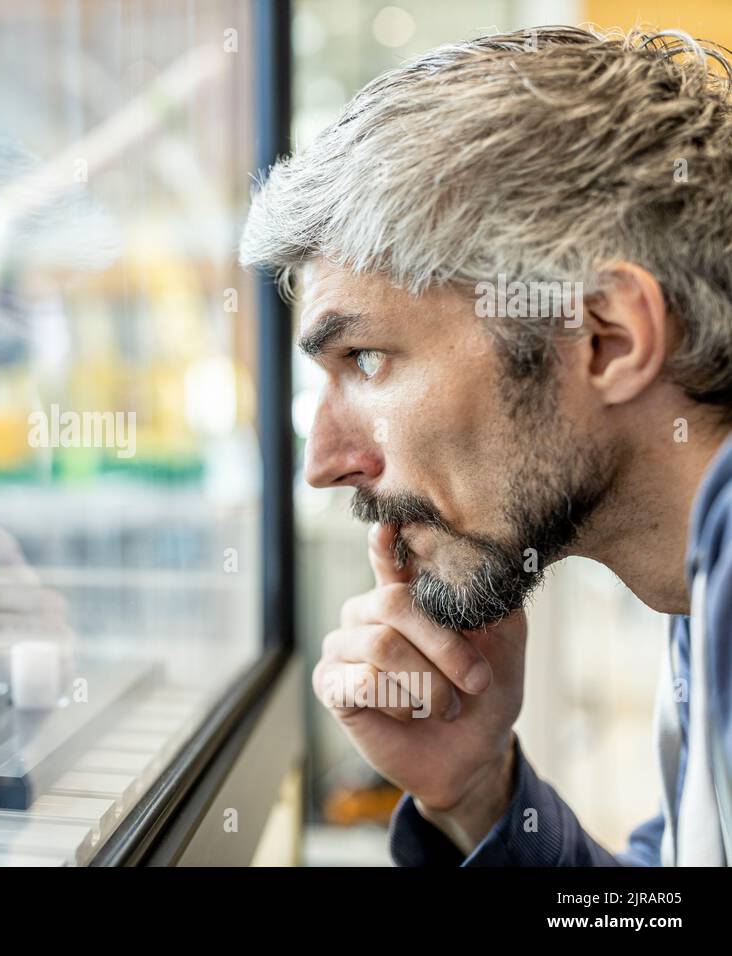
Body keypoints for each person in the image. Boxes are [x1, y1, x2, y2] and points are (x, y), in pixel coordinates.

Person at [240, 26, 732, 865]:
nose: (325, 461)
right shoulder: (696, 598)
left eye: (365, 357)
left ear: (605, 337)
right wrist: (476, 795)